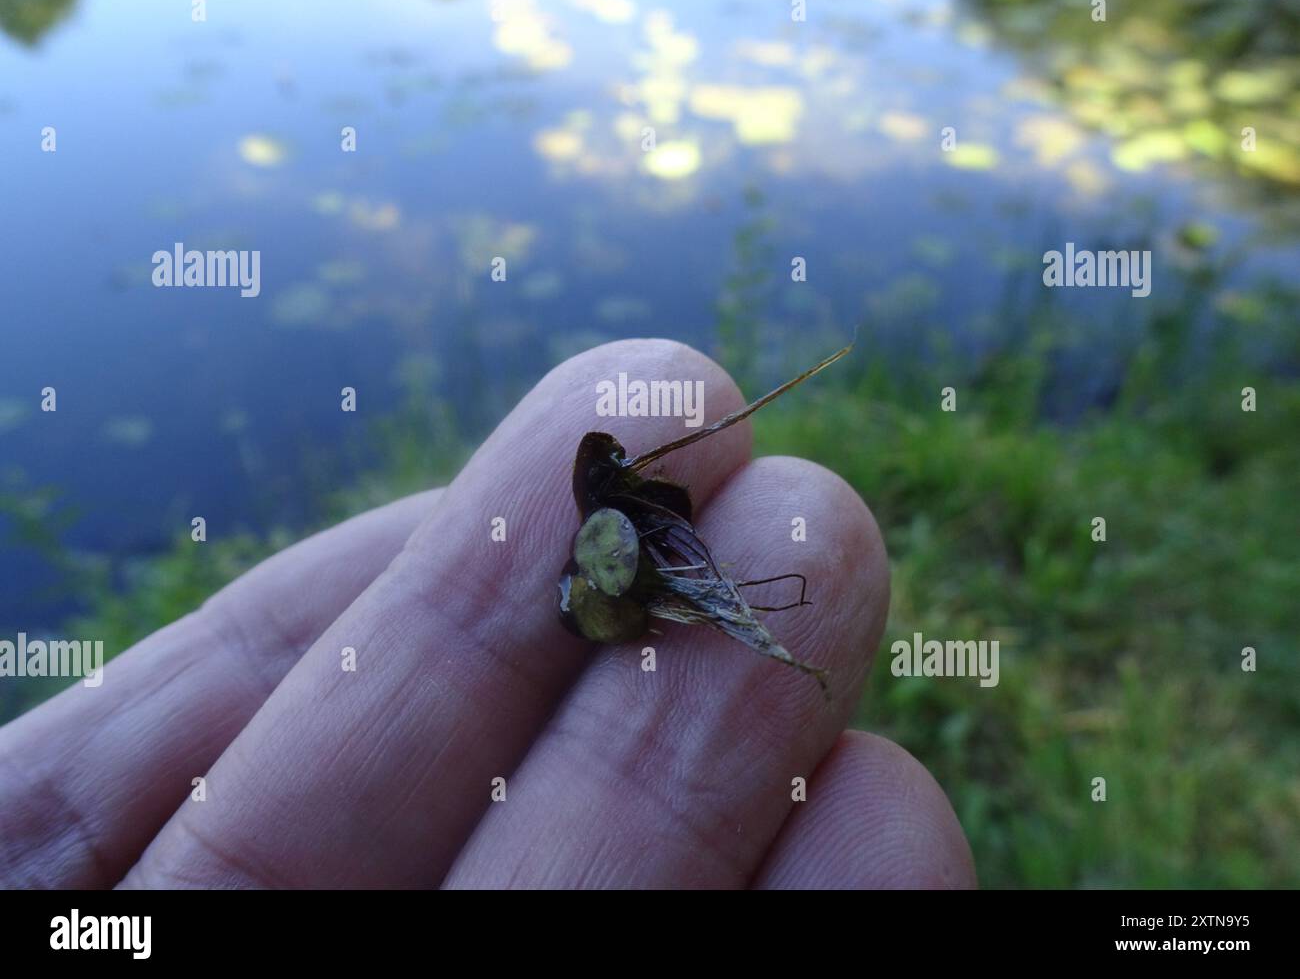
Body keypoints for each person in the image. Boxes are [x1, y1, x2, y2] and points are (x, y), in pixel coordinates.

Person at [0, 340, 975, 889]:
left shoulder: (615, 536)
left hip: (623, 576)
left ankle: (757, 623)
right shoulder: (601, 567)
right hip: (616, 584)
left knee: (746, 587)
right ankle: (757, 626)